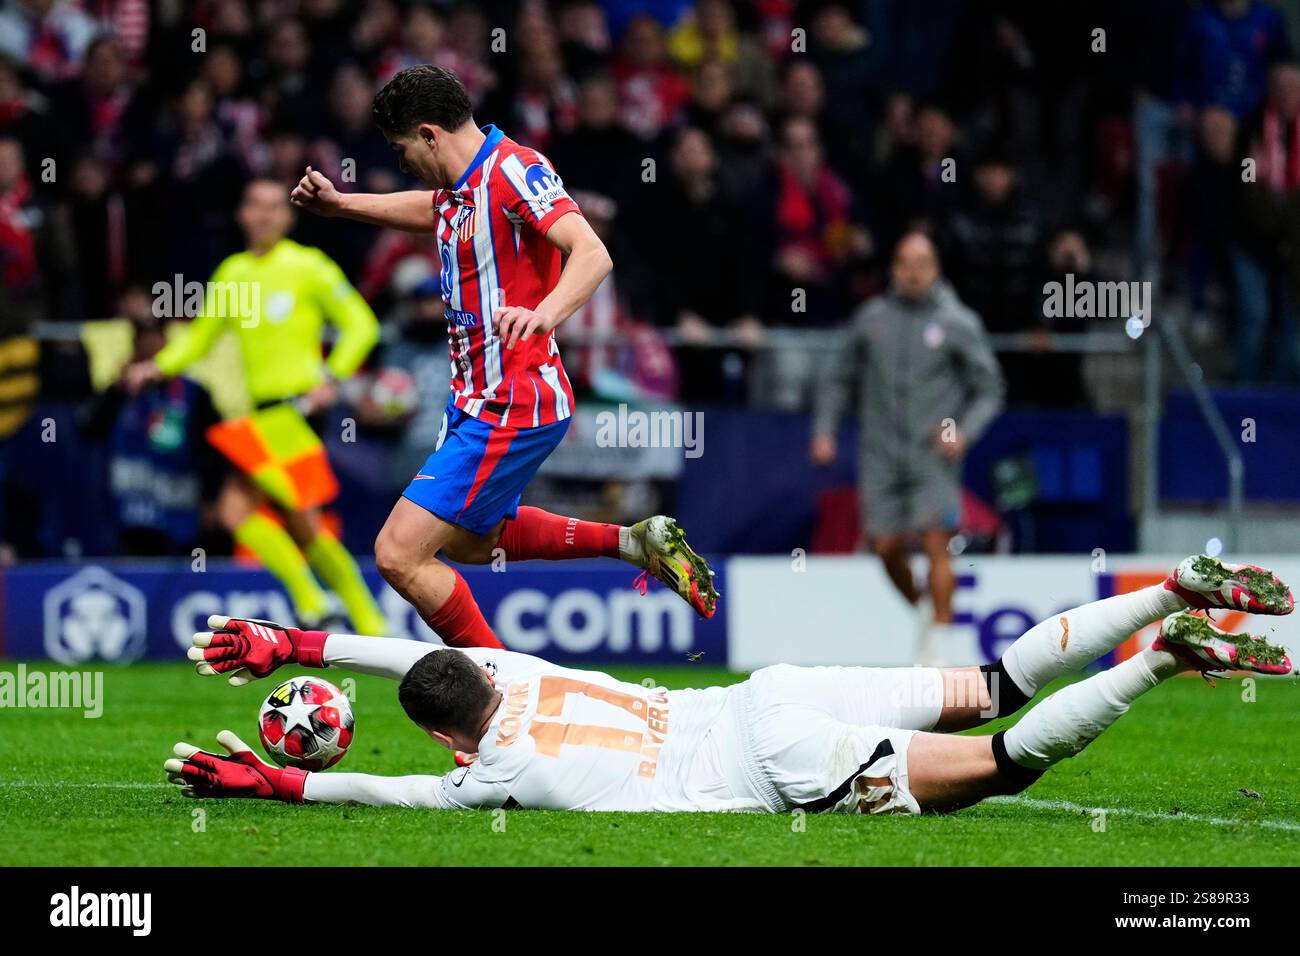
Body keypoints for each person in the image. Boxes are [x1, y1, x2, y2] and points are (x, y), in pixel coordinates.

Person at [168, 555, 1294, 813]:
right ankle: (1164, 591)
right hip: (769, 693)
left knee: (1000, 768)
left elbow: (383, 794)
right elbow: (408, 654)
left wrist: (273, 783)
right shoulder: (515, 665)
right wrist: (299, 643)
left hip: (769, 763)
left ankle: (1159, 656)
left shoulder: (493, 770)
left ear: (450, 738)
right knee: (993, 681)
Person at [289, 65, 719, 653]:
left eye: (402, 148)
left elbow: (591, 253)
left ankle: (496, 700)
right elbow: (432, 211)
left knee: (397, 554)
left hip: (513, 395)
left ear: (430, 134)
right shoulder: (461, 188)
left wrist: (545, 312)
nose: (404, 161)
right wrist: (343, 206)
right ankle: (632, 543)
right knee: (468, 543)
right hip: (475, 397)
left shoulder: (516, 168)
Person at [123, 178, 388, 635]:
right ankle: (349, 613)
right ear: (242, 214)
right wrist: (157, 367)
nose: (264, 215)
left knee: (253, 513)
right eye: (254, 205)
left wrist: (333, 377)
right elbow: (200, 339)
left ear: (289, 217)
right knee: (284, 520)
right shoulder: (233, 273)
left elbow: (362, 327)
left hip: (298, 411)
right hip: (262, 414)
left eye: (273, 207)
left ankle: (332, 607)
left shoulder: (309, 267)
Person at [811, 232, 1004, 665]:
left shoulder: (958, 322)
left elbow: (989, 388)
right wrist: (825, 431)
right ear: (894, 269)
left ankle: (940, 644)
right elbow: (838, 378)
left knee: (937, 544)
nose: (914, 273)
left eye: (923, 264)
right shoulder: (871, 319)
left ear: (935, 269)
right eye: (905, 263)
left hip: (932, 455)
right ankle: (922, 609)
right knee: (883, 547)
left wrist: (963, 431)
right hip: (879, 452)